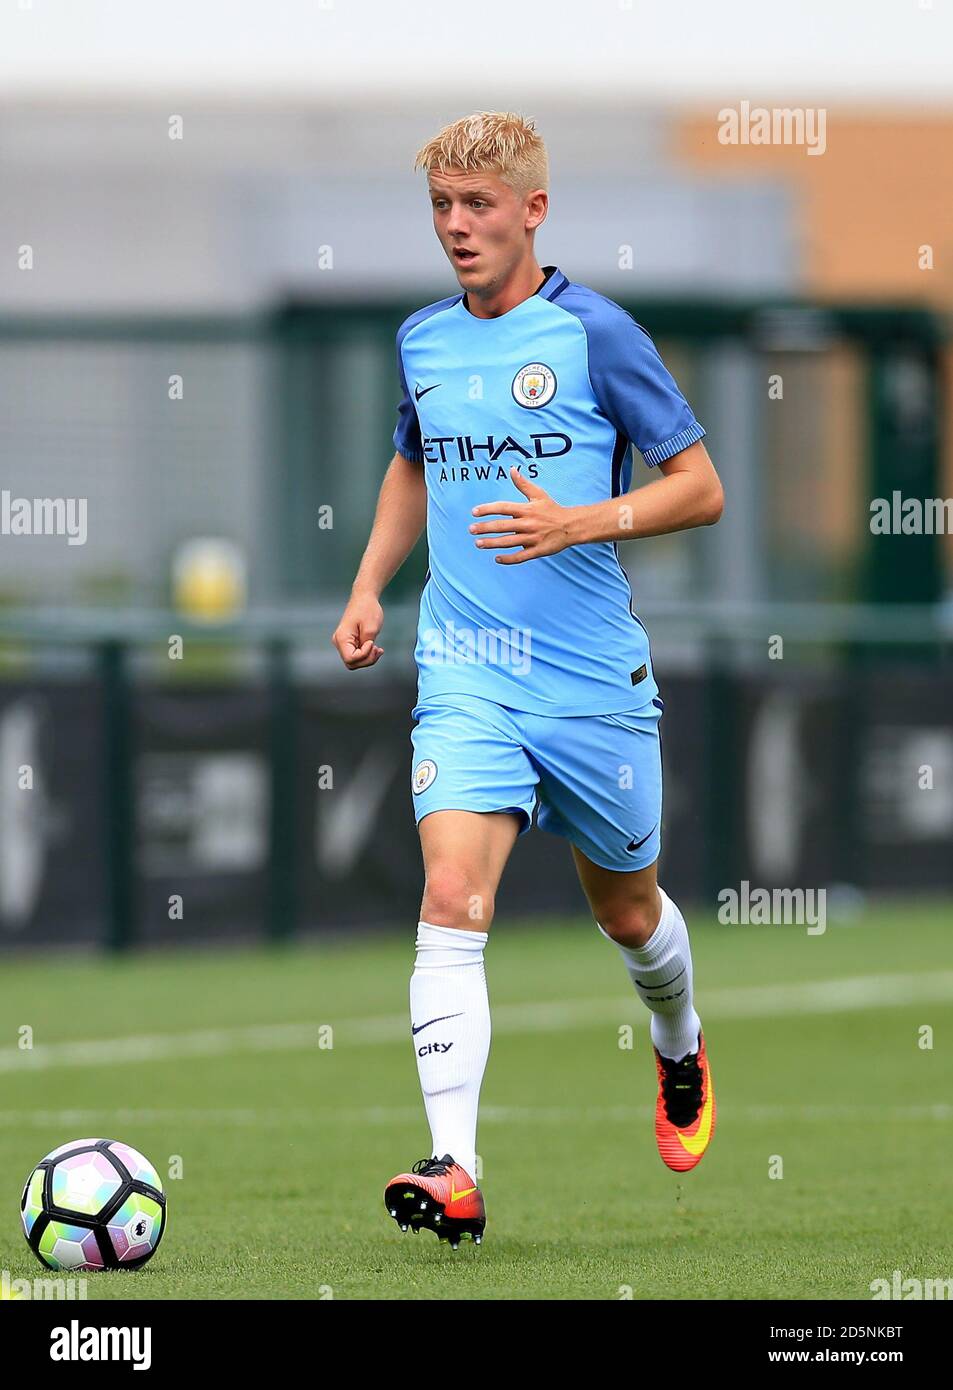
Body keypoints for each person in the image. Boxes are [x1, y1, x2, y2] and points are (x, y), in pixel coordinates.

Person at [332, 111, 724, 1249]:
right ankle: (453, 1166)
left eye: (478, 207)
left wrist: (580, 521)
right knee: (451, 899)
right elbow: (412, 465)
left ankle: (678, 1041)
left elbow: (697, 486)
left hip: (591, 683)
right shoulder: (421, 340)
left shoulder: (597, 334)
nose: (456, 228)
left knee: (628, 911)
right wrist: (367, 585)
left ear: (532, 211)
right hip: (463, 672)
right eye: (441, 209)